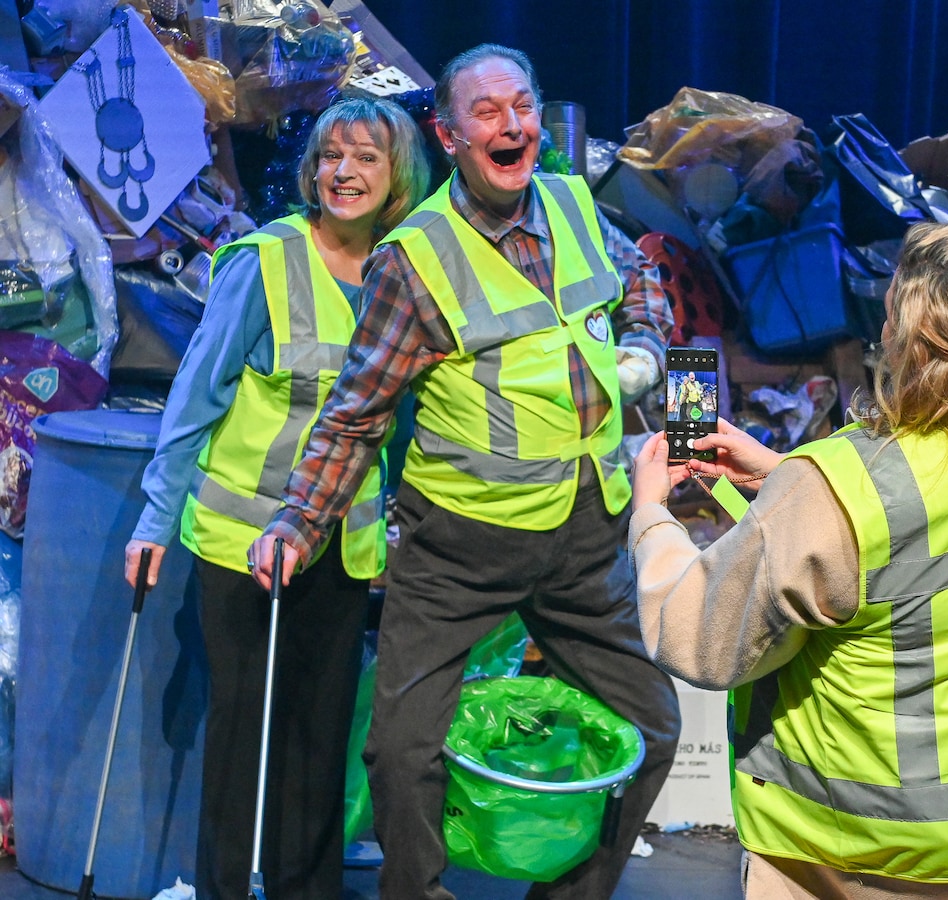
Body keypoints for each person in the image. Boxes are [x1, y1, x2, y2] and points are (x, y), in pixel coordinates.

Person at [247, 43, 681, 900]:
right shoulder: (416, 258)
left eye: (521, 105)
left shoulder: (570, 202)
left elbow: (643, 278)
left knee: (652, 729)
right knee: (403, 750)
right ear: (449, 135)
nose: (511, 125)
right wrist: (298, 522)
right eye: (486, 112)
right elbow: (357, 411)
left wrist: (645, 345)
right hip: (460, 549)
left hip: (583, 538)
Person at [629, 221, 948, 898]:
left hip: (885, 856)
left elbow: (702, 639)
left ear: (909, 343)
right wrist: (791, 485)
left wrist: (651, 513)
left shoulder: (841, 489)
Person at [123, 97, 430, 899]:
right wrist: (155, 518)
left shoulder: (405, 273)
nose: (344, 172)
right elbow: (194, 397)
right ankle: (228, 889)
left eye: (366, 157)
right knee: (243, 734)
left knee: (319, 732)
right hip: (243, 540)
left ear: (397, 175)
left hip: (339, 546)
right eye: (332, 155)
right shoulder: (266, 262)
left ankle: (306, 890)